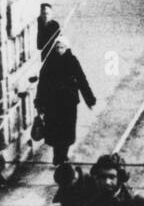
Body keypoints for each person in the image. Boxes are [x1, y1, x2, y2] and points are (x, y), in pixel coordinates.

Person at [34, 24, 97, 166]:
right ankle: (58, 157)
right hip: (53, 104)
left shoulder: (72, 61)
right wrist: (39, 103)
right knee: (56, 132)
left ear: (67, 48)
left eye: (61, 47)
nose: (59, 50)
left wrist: (90, 100)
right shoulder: (48, 63)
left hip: (68, 103)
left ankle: (63, 156)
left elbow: (82, 80)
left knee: (67, 132)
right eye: (57, 48)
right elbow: (42, 85)